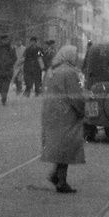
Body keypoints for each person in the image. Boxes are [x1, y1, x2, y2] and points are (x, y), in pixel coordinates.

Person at [40, 45, 86, 193]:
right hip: (66, 114)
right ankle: (61, 181)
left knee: (59, 146)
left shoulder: (51, 70)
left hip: (50, 113)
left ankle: (56, 175)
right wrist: (82, 110)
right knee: (66, 147)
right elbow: (75, 96)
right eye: (75, 55)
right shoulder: (69, 72)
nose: (76, 57)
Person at [0, 34, 17, 105]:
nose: (5, 41)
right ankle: (3, 95)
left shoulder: (11, 48)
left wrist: (9, 62)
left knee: (6, 84)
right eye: (4, 40)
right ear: (1, 40)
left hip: (8, 69)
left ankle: (4, 97)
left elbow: (15, 58)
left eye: (6, 40)